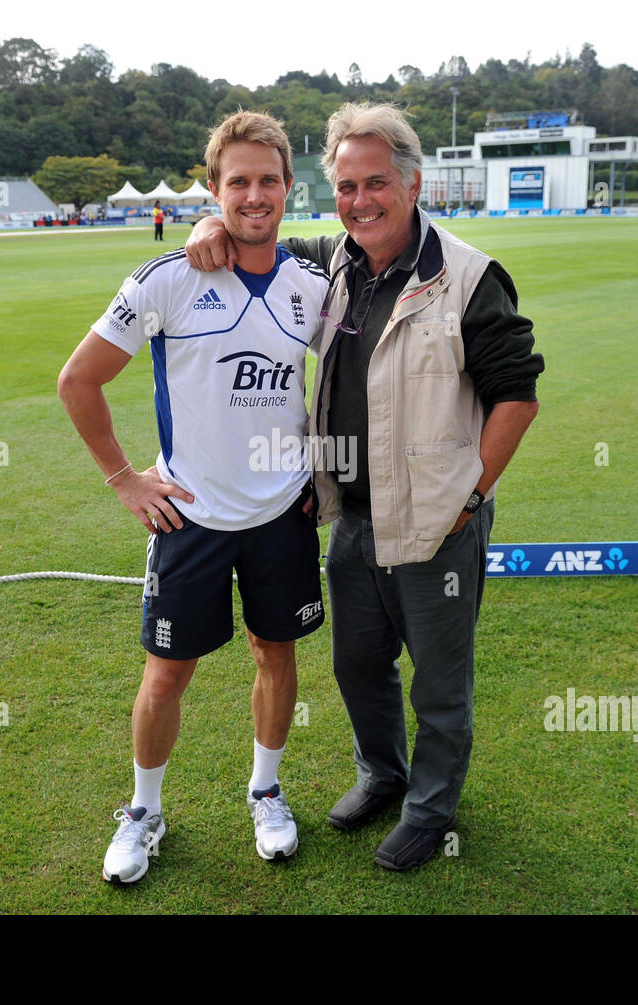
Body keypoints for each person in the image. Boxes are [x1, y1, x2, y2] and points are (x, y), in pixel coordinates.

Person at [185, 102, 543, 871]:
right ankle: (383, 775)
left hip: (439, 522)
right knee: (357, 666)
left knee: (441, 685)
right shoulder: (334, 262)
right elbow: (257, 239)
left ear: (413, 184)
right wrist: (207, 228)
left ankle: (431, 808)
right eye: (346, 186)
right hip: (351, 515)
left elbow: (518, 397)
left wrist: (471, 499)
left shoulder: (469, 278)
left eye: (376, 182)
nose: (361, 201)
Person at [57, 110, 330, 884]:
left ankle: (266, 790)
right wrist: (124, 479)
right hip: (190, 515)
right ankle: (144, 810)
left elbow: (348, 383)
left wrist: (320, 470)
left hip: (283, 515)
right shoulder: (168, 279)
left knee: (275, 652)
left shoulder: (314, 286)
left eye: (268, 180)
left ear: (287, 188)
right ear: (213, 189)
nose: (254, 195)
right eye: (236, 182)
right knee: (166, 671)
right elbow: (78, 380)